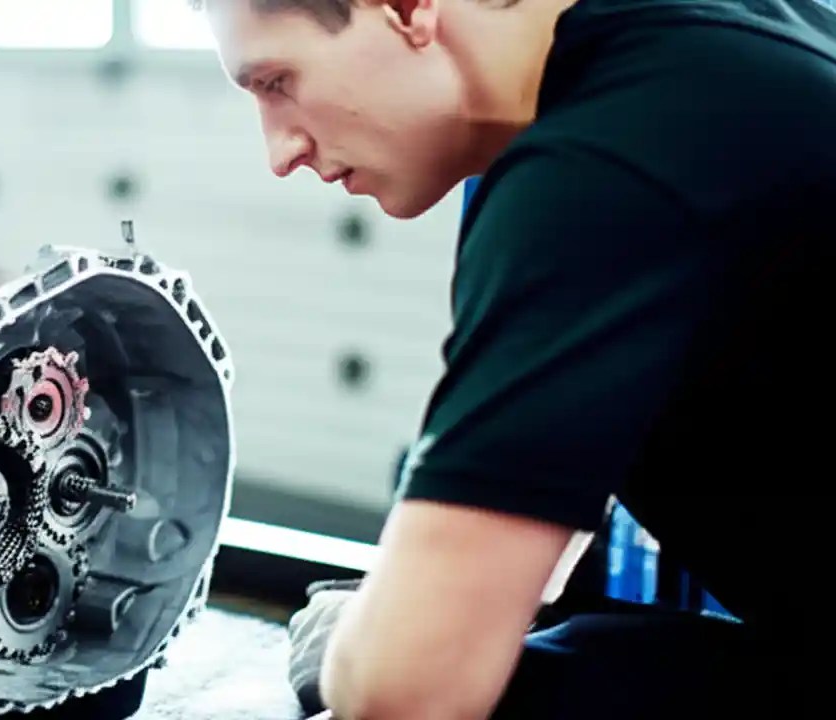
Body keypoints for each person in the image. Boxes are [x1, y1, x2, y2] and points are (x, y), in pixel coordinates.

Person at [191, 0, 836, 717]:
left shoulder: (607, 155)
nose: (280, 153)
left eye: (278, 81)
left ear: (407, 9)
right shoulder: (707, 43)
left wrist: (364, 646)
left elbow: (406, 692)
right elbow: (552, 484)